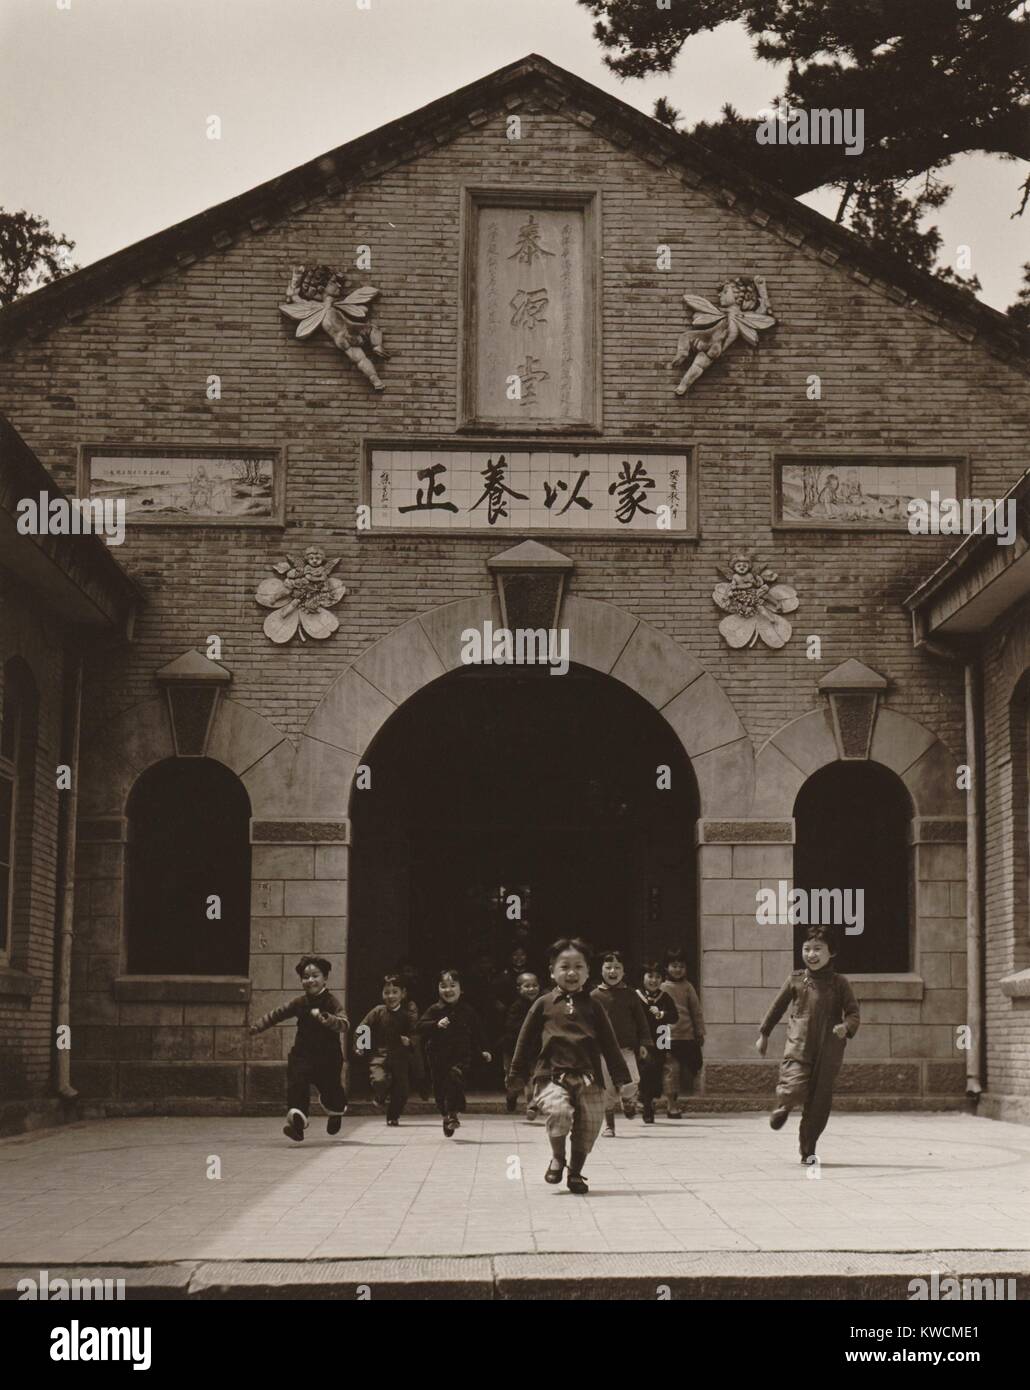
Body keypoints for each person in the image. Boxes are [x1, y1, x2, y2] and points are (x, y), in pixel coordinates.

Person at [506, 937, 629, 1195]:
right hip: (551, 1075)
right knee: (559, 1113)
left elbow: (610, 1044)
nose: (571, 972)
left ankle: (575, 1172)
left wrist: (621, 1078)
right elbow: (525, 1039)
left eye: (578, 967)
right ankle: (558, 1157)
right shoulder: (543, 1003)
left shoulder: (594, 1005)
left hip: (589, 1077)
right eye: (564, 967)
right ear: (552, 972)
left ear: (587, 972)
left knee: (589, 1126)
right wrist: (516, 1074)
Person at [756, 925, 860, 1163]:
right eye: (807, 949)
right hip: (799, 1044)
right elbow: (776, 1008)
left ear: (831, 952)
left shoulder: (840, 983)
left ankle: (808, 1148)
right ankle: (785, 1105)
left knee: (819, 1102)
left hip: (829, 1049)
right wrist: (764, 1033)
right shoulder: (795, 980)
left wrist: (846, 1027)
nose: (811, 954)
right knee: (793, 1083)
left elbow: (854, 1013)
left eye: (817, 949)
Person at [248, 955, 348, 1142]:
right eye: (305, 977)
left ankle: (335, 1113)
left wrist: (329, 1020)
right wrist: (257, 1026)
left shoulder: (331, 1002)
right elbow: (278, 1014)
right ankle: (297, 1124)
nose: (310, 980)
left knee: (331, 1088)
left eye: (315, 975)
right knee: (297, 1084)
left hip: (328, 1057)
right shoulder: (300, 1003)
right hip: (302, 1054)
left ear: (325, 978)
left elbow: (345, 1024)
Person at [417, 969, 492, 1137]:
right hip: (437, 1056)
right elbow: (419, 1026)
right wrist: (436, 1024)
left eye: (452, 985)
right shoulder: (434, 1009)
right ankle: (446, 1116)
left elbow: (478, 1031)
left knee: (455, 1076)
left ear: (461, 989)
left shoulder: (467, 1010)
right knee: (439, 1089)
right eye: (443, 986)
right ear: (437, 988)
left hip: (460, 1055)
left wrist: (484, 1049)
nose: (448, 990)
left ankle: (452, 1114)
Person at [591, 950, 651, 1136]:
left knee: (633, 1081)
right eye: (608, 967)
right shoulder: (594, 996)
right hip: (603, 1051)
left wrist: (644, 1043)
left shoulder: (631, 994)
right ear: (601, 970)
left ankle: (627, 1099)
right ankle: (609, 1125)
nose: (613, 971)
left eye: (617, 967)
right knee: (607, 1089)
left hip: (626, 1048)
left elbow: (641, 1021)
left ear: (624, 971)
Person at [356, 974, 419, 1125]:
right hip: (380, 1056)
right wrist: (361, 1045)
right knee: (379, 1080)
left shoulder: (407, 1014)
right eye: (386, 992)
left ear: (403, 994)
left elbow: (416, 1032)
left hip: (400, 1058)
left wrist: (409, 1041)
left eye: (395, 992)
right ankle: (380, 1096)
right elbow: (363, 1027)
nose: (390, 996)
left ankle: (393, 1116)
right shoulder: (378, 1012)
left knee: (401, 1090)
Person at [661, 948, 705, 1118]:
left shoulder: (688, 987)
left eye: (681, 966)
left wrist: (699, 1032)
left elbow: (696, 1011)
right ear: (666, 967)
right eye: (674, 965)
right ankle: (672, 1105)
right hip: (666, 1035)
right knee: (671, 1070)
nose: (677, 969)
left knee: (693, 1066)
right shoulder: (662, 987)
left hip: (687, 1035)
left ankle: (681, 1096)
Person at [635, 962, 679, 1124]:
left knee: (658, 1069)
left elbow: (675, 1016)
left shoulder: (665, 997)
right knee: (645, 1069)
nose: (654, 980)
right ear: (643, 978)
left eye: (657, 977)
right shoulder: (636, 996)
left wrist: (662, 1013)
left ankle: (649, 1099)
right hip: (642, 1039)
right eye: (650, 976)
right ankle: (646, 1103)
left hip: (661, 1037)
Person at [502, 971, 541, 1116]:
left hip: (535, 1049)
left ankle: (531, 1105)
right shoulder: (515, 1007)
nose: (532, 989)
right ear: (519, 989)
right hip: (514, 1050)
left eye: (534, 985)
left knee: (533, 1077)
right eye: (527, 986)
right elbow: (512, 1028)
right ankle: (511, 1096)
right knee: (515, 1081)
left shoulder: (541, 1004)